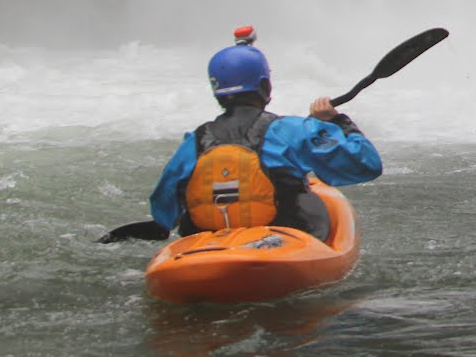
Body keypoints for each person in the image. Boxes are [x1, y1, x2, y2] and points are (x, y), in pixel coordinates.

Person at [148, 29, 383, 241]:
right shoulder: (291, 130)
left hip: (210, 241)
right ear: (264, 86)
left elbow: (163, 208)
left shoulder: (194, 141)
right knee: (312, 202)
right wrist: (337, 121)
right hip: (282, 235)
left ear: (217, 91)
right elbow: (366, 164)